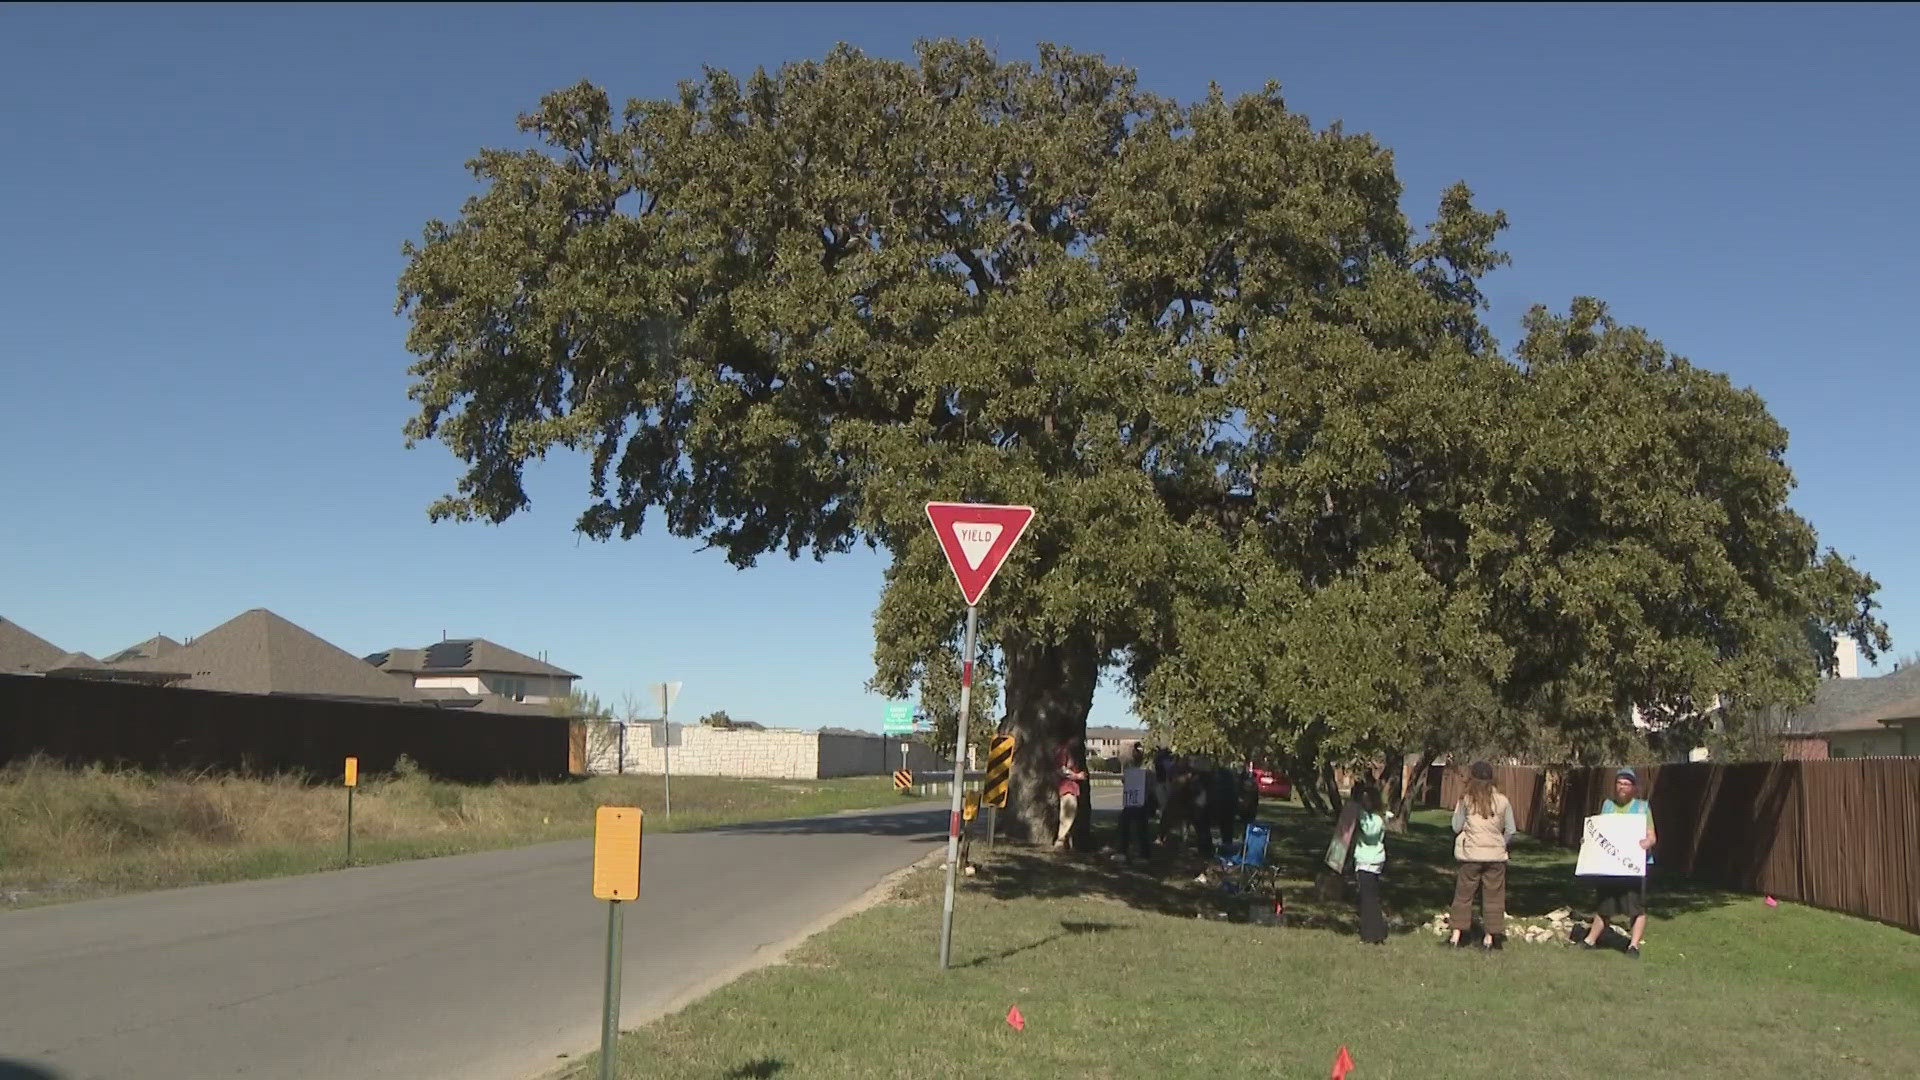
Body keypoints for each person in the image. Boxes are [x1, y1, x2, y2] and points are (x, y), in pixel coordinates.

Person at [1581, 767, 1657, 957]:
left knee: (1636, 908)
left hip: (1632, 867)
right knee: (1604, 905)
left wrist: (1646, 843)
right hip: (1610, 865)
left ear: (1633, 787)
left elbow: (1652, 837)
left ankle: (1633, 946)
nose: (1622, 787)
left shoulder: (1642, 807)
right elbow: (1600, 832)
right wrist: (1588, 841)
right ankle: (1590, 940)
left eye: (1626, 783)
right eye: (1619, 783)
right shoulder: (1608, 805)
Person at [1448, 761, 1516, 949]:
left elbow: (1456, 826)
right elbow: (1511, 829)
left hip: (1471, 855)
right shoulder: (1503, 800)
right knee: (1494, 897)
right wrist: (1501, 844)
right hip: (1495, 857)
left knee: (1463, 896)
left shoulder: (1466, 799)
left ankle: (1455, 936)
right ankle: (1489, 939)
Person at [1340, 780, 1390, 944]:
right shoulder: (1372, 816)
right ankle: (1373, 931)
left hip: (1370, 860)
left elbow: (1370, 833)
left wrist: (1358, 814)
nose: (1364, 802)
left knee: (1369, 899)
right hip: (1366, 860)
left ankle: (1372, 934)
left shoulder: (1376, 819)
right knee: (1368, 897)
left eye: (1367, 799)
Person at [1117, 742, 1156, 861]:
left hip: (1139, 802)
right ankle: (1126, 852)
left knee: (1139, 829)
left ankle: (1142, 854)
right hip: (1134, 801)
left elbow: (1150, 786)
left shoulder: (1145, 771)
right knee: (1128, 827)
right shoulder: (1134, 769)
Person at [1053, 735, 1089, 851]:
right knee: (1067, 816)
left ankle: (1068, 844)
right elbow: (1061, 770)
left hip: (1073, 788)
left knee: (1071, 815)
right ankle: (1060, 840)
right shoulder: (1064, 751)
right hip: (1067, 787)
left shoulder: (1072, 752)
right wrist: (1076, 776)